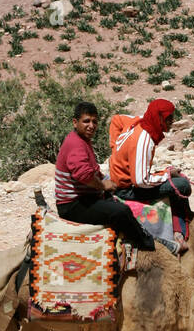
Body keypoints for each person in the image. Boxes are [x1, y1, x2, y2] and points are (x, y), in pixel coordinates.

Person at [55, 101, 155, 251]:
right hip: (73, 205)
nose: (91, 125)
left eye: (94, 121)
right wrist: (103, 185)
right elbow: (84, 175)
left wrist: (106, 180)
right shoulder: (76, 144)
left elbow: (91, 170)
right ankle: (146, 245)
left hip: (83, 198)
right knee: (121, 212)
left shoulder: (82, 140)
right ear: (75, 123)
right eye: (86, 121)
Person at [109, 98, 193, 226]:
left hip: (121, 179)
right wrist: (167, 174)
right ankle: (180, 227)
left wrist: (115, 147)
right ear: (158, 118)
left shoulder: (140, 120)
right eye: (168, 118)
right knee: (182, 184)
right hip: (126, 189)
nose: (172, 121)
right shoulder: (145, 141)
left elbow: (116, 119)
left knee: (175, 179)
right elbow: (140, 181)